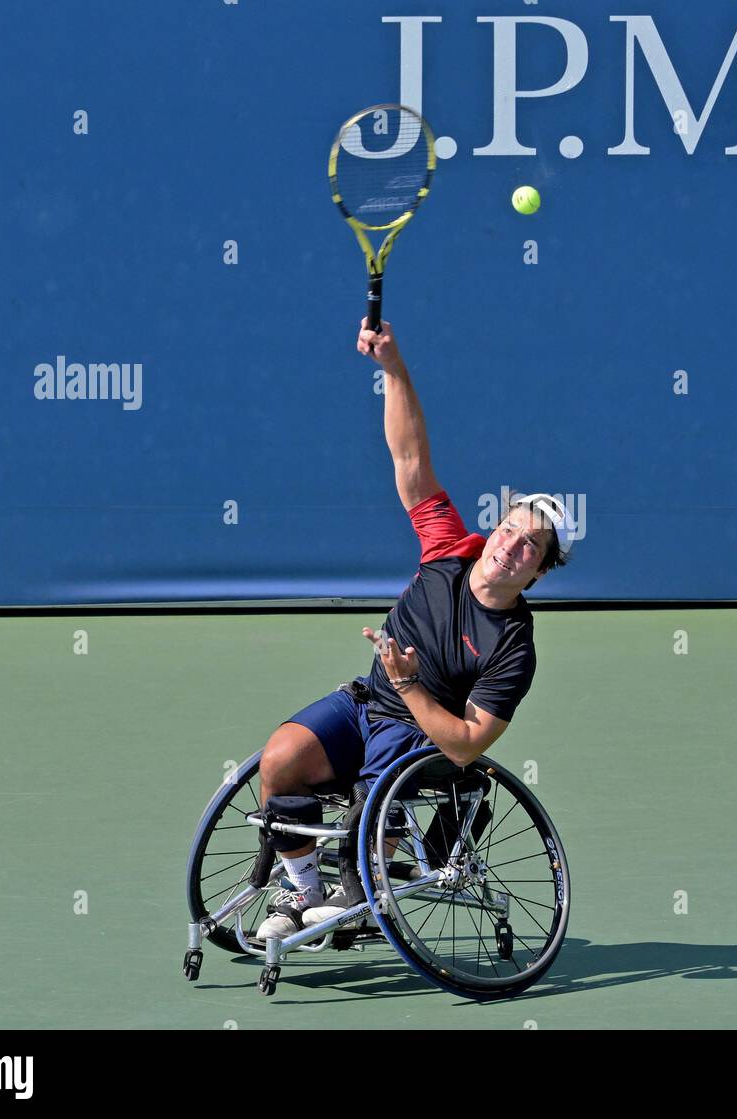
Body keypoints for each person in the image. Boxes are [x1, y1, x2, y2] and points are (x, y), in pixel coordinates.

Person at [254, 318, 574, 938]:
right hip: (365, 702)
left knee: (373, 803)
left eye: (531, 547)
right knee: (281, 759)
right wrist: (394, 368)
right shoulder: (448, 548)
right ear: (494, 529)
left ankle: (354, 887)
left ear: (536, 573)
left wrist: (409, 687)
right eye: (511, 529)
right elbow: (410, 456)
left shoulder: (513, 646)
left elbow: (464, 745)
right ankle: (306, 895)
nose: (512, 546)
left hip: (422, 739)